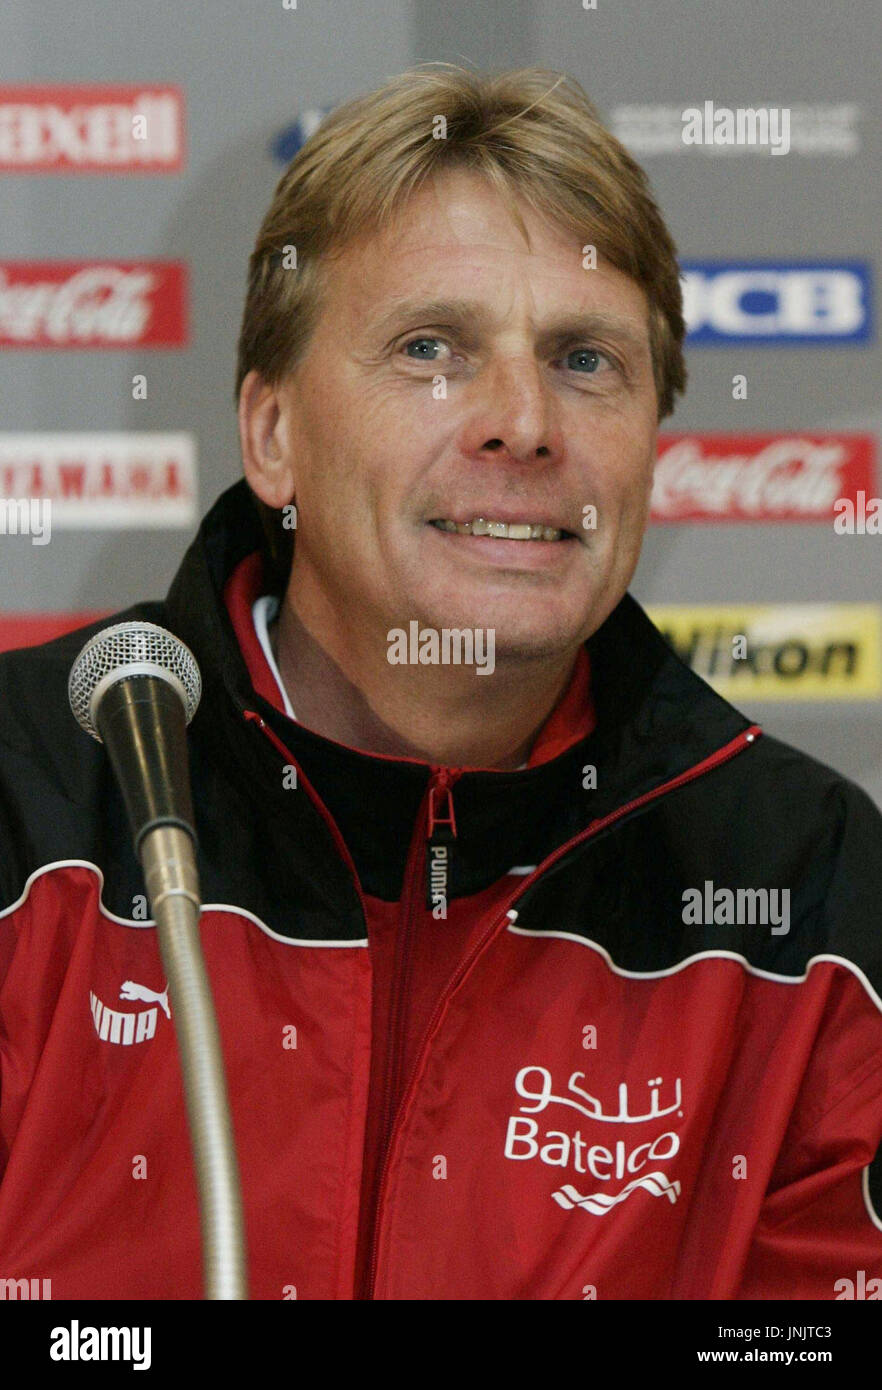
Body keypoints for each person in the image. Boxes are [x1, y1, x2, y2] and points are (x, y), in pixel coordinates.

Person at [0, 64, 880, 1302]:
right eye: (431, 348)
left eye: (586, 360)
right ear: (273, 435)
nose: (523, 421)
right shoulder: (24, 795)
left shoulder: (815, 895)